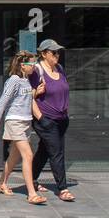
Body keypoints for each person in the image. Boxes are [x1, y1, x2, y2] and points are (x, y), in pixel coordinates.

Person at [0, 52, 47, 205]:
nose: (33, 67)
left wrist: (36, 92)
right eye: (31, 64)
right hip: (15, 122)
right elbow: (2, 103)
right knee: (28, 155)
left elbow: (25, 98)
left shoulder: (25, 80)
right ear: (22, 65)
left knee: (14, 156)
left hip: (26, 123)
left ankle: (2, 182)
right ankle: (32, 194)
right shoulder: (13, 80)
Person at [28, 39, 74, 201]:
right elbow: (27, 96)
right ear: (43, 54)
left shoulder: (60, 69)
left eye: (58, 52)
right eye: (53, 52)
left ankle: (31, 179)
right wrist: (41, 118)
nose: (57, 55)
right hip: (45, 119)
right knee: (57, 152)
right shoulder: (36, 71)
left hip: (61, 119)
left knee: (45, 151)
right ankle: (63, 188)